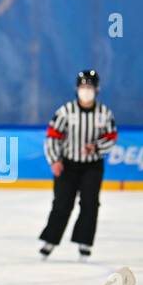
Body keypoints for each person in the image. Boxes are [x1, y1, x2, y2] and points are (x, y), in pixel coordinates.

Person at [39, 69, 118, 261]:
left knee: (90, 204)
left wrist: (97, 147)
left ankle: (84, 243)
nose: (86, 90)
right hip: (68, 165)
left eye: (89, 87)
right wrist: (55, 160)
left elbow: (111, 137)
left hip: (92, 166)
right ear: (77, 89)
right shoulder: (65, 111)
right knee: (62, 204)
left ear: (96, 89)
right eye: (83, 87)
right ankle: (50, 240)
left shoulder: (104, 113)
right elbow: (52, 137)